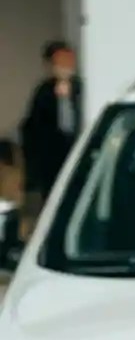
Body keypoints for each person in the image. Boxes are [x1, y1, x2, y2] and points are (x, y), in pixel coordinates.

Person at [18, 40, 82, 217]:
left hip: (79, 154)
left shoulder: (81, 88)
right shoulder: (44, 92)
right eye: (59, 62)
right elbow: (34, 129)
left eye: (68, 61)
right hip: (52, 161)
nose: (65, 66)